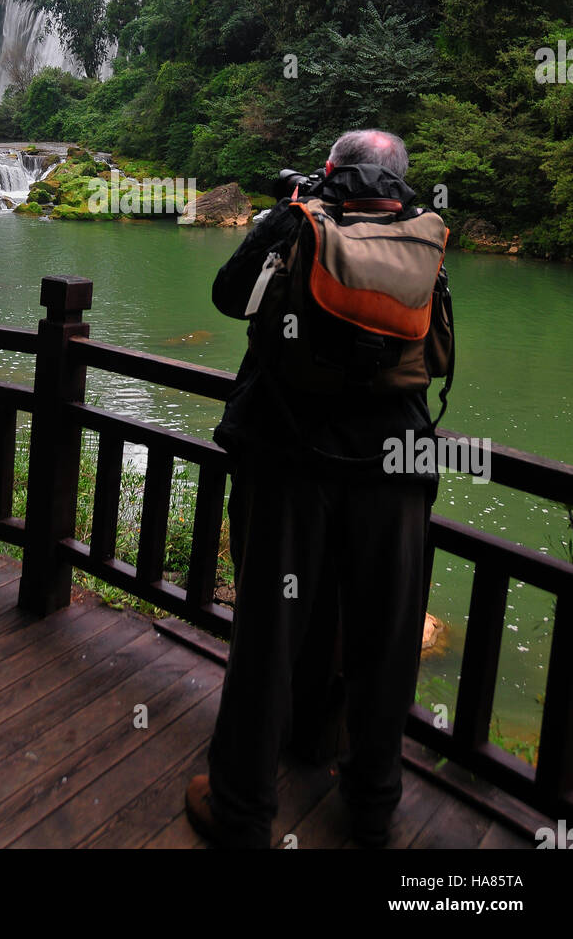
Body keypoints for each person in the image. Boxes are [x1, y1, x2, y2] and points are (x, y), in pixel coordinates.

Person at [185, 128, 443, 849]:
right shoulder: (424, 238)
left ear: (331, 171)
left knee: (268, 629)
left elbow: (228, 297)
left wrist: (284, 211)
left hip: (291, 453)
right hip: (394, 461)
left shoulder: (298, 222)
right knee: (384, 637)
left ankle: (241, 809)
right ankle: (370, 803)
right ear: (399, 180)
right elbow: (437, 350)